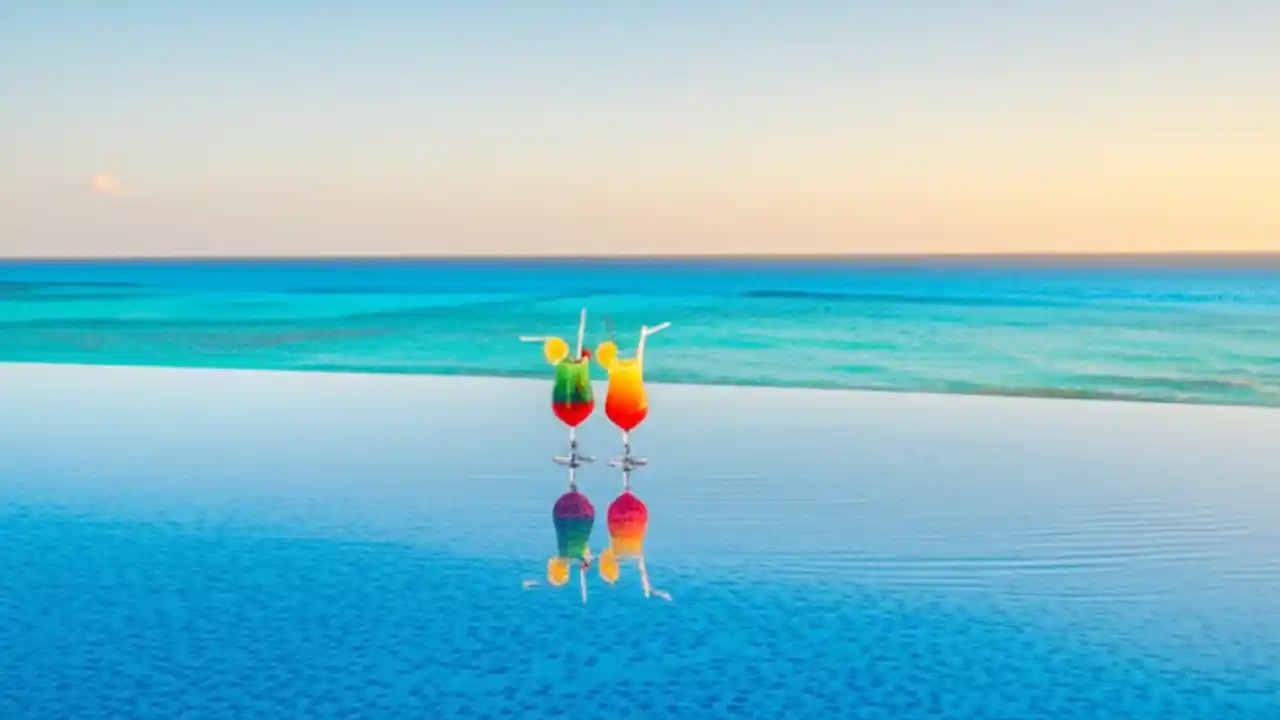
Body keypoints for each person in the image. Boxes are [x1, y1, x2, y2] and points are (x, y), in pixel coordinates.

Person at [598, 489, 670, 601]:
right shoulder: (615, 552)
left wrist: (649, 590)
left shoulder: (631, 554)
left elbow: (642, 572)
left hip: (632, 520)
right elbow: (642, 572)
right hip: (624, 519)